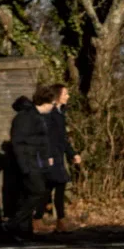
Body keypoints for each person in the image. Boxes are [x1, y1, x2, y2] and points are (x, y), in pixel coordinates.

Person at [1, 86, 60, 243]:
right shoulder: (26, 117)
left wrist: (47, 157)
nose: (54, 107)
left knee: (27, 195)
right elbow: (19, 143)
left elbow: (40, 141)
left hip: (36, 162)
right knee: (38, 192)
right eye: (53, 104)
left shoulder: (36, 116)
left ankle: (24, 230)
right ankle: (12, 225)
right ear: (45, 102)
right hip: (28, 163)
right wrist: (25, 167)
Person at [45, 84, 81, 232]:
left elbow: (63, 138)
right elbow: (52, 137)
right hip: (52, 156)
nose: (68, 96)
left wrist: (72, 153)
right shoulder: (51, 114)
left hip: (58, 155)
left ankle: (52, 219)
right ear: (57, 96)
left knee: (53, 186)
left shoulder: (60, 112)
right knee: (57, 184)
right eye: (65, 94)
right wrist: (49, 155)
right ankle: (58, 220)